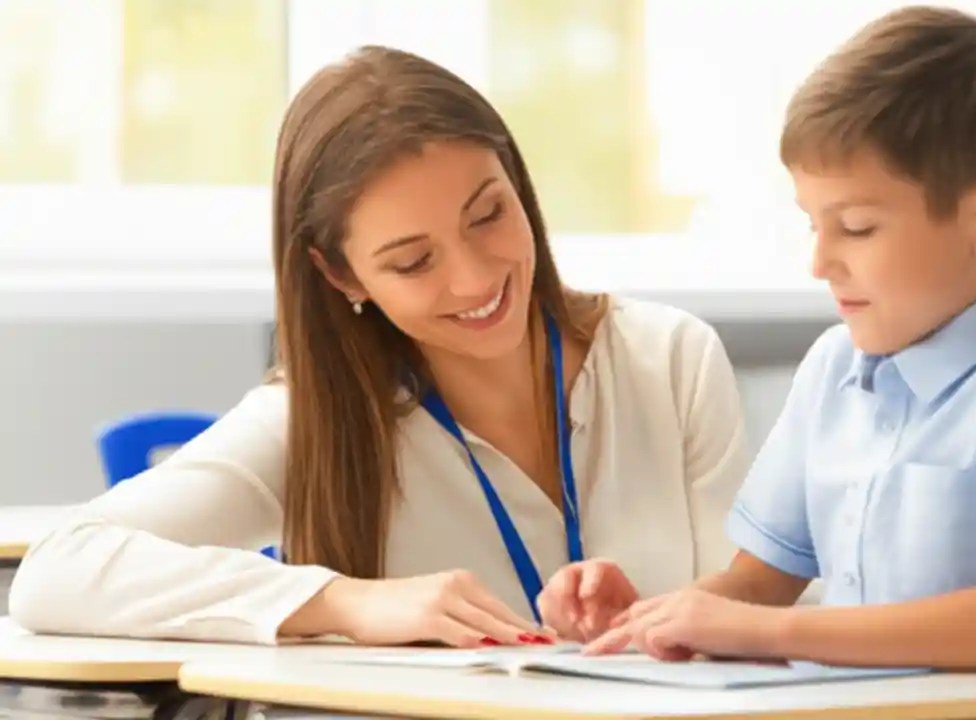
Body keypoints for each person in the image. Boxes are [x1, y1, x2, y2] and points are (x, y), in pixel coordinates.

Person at [9, 46, 749, 649]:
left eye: (488, 214)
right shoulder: (317, 416)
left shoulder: (670, 360)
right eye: (413, 262)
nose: (474, 277)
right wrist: (346, 603)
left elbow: (754, 617)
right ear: (340, 274)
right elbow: (58, 571)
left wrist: (660, 627)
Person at [544, 7, 976, 704]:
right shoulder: (833, 367)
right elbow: (756, 588)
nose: (820, 261)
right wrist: (647, 620)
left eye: (857, 227)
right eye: (813, 224)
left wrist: (774, 634)